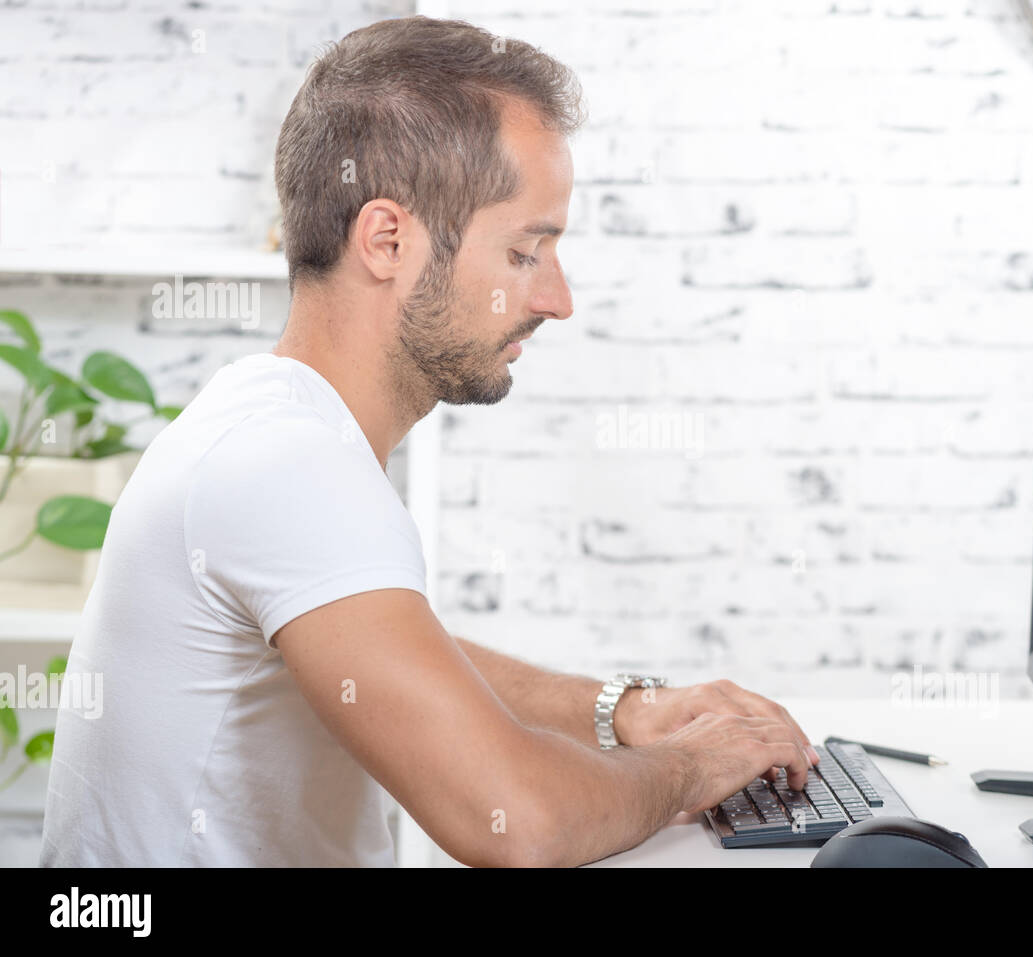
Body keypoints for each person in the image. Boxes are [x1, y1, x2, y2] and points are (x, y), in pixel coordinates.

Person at [40, 16, 816, 868]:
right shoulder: (284, 466)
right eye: (526, 251)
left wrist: (626, 709)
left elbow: (395, 652)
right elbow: (519, 819)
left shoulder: (267, 420)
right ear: (388, 240)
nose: (557, 299)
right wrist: (696, 765)